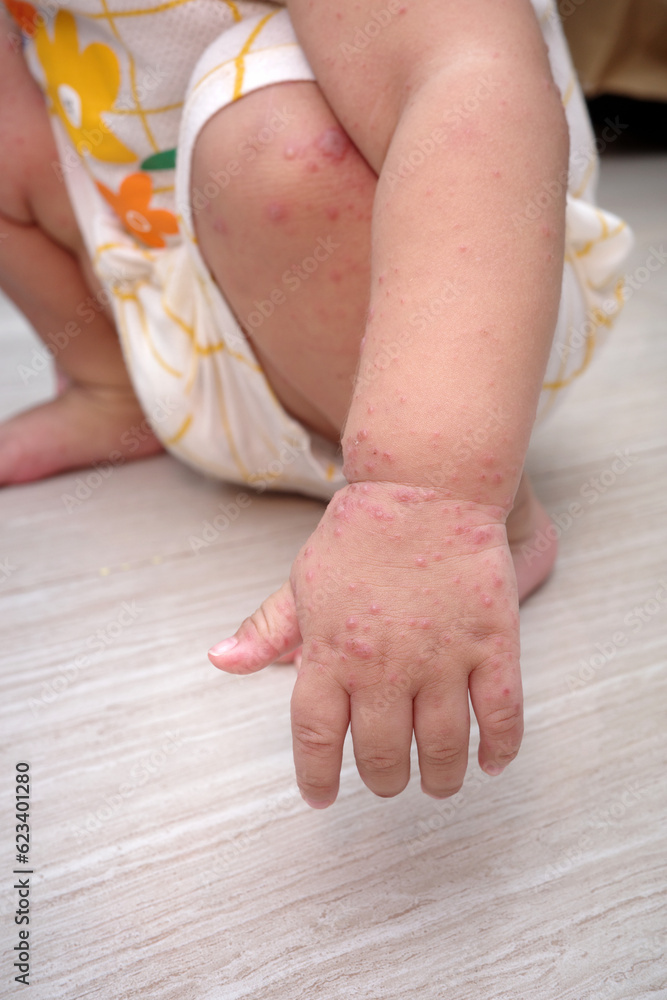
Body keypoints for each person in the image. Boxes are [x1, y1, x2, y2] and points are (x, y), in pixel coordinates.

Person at [0, 0, 632, 807]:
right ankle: (113, 386)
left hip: (458, 331)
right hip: (183, 316)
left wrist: (426, 492)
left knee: (276, 135)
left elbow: (468, 80)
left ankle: (485, 510)